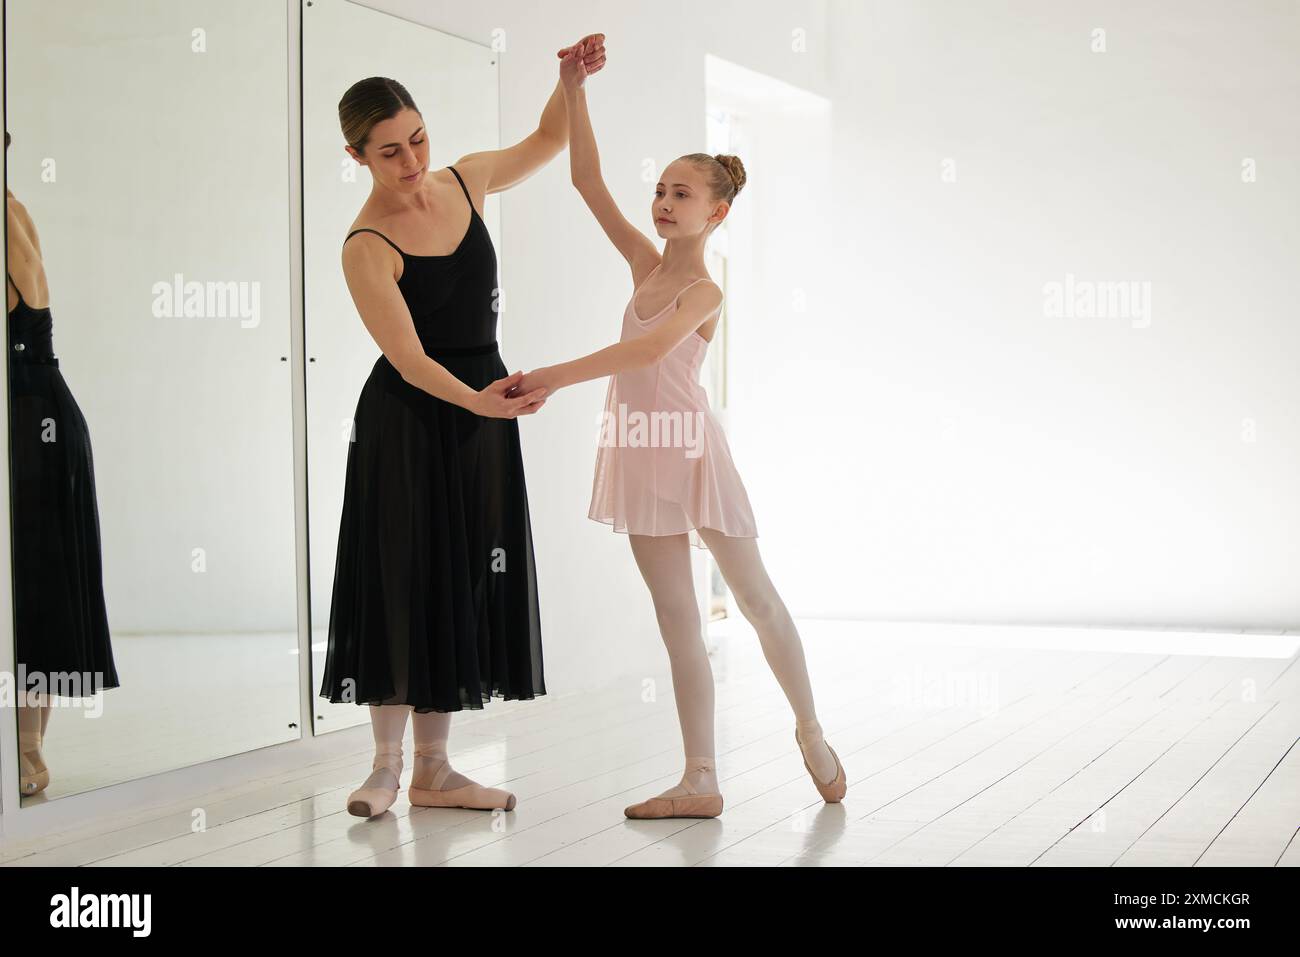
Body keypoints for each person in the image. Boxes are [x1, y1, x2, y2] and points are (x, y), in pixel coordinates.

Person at [509, 40, 847, 819]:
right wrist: (570, 87)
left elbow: (647, 348)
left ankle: (810, 726)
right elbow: (586, 180)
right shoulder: (643, 264)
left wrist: (551, 376)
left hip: (689, 451)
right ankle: (701, 777)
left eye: (683, 193)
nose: (664, 203)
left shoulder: (703, 287)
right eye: (661, 190)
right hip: (636, 453)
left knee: (757, 599)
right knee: (676, 619)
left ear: (717, 212)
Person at [319, 34, 608, 819]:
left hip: (481, 410)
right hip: (411, 418)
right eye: (390, 152)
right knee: (402, 577)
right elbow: (409, 360)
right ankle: (385, 767)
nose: (412, 160)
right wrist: (481, 401)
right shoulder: (364, 244)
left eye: (417, 139)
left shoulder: (466, 179)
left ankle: (437, 770)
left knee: (460, 578)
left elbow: (548, 141)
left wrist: (566, 81)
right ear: (358, 156)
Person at [6, 128, 120, 797]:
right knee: (35, 579)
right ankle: (27, 750)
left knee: (27, 582)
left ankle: (24, 753)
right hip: (45, 407)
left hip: (22, 417)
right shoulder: (14, 206)